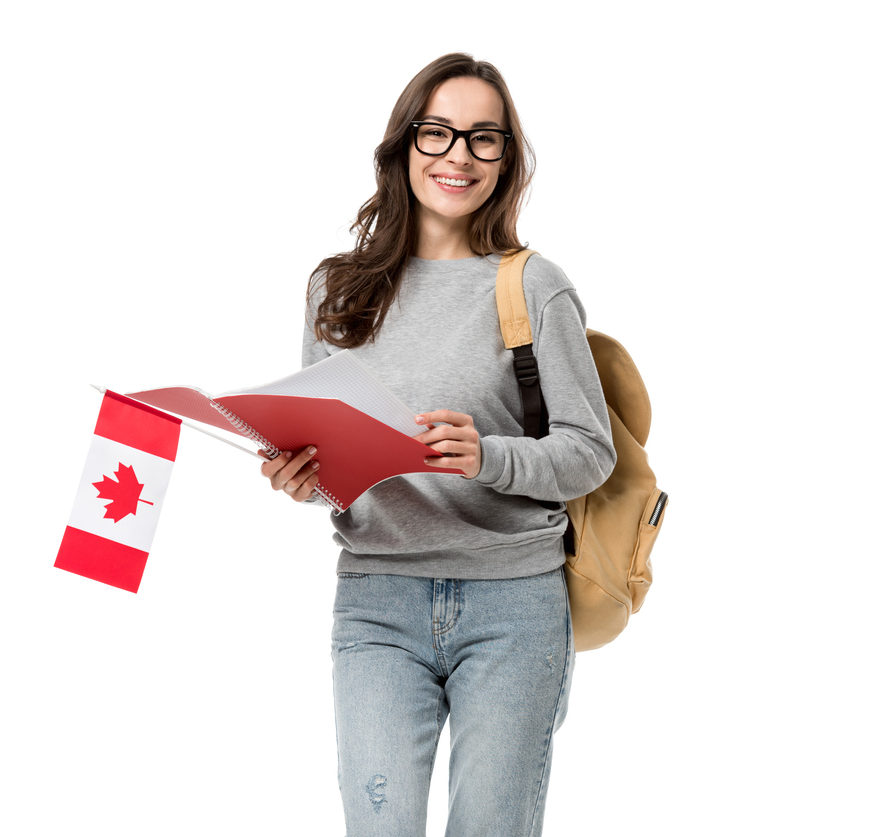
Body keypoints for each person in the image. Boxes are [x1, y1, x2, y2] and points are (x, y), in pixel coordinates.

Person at [260, 53, 615, 837]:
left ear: (506, 159)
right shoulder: (337, 288)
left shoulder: (533, 285)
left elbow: (591, 451)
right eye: (439, 133)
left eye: (484, 139)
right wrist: (304, 477)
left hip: (513, 604)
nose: (459, 155)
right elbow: (335, 466)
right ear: (404, 146)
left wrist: (488, 454)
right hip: (377, 602)